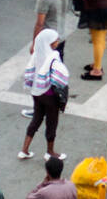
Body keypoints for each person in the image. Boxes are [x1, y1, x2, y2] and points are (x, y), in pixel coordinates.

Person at [20, 29, 70, 161]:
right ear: (49, 42)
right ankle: (50, 151)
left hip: (36, 92)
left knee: (36, 119)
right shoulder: (53, 56)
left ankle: (24, 149)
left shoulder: (37, 54)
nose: (57, 42)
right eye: (55, 40)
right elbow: (63, 77)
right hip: (49, 95)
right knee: (51, 122)